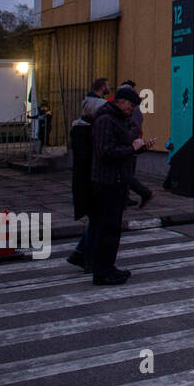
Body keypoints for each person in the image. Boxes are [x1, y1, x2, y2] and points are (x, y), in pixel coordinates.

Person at [88, 86, 153, 285]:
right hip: (107, 182)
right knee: (107, 228)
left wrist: (139, 148)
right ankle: (102, 271)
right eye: (130, 105)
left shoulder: (119, 119)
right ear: (120, 101)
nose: (132, 109)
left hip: (117, 181)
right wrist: (131, 148)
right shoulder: (106, 120)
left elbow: (124, 148)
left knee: (112, 228)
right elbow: (105, 152)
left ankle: (108, 267)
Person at [67, 78, 111, 271]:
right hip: (94, 181)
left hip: (86, 181)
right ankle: (89, 259)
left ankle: (81, 254)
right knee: (99, 220)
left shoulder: (79, 129)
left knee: (96, 220)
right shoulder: (91, 135)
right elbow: (104, 156)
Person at [118, 79, 154, 209]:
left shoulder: (133, 109)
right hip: (130, 144)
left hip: (130, 144)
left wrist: (134, 143)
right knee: (125, 173)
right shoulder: (129, 109)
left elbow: (135, 126)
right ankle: (126, 197)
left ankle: (142, 193)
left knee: (126, 173)